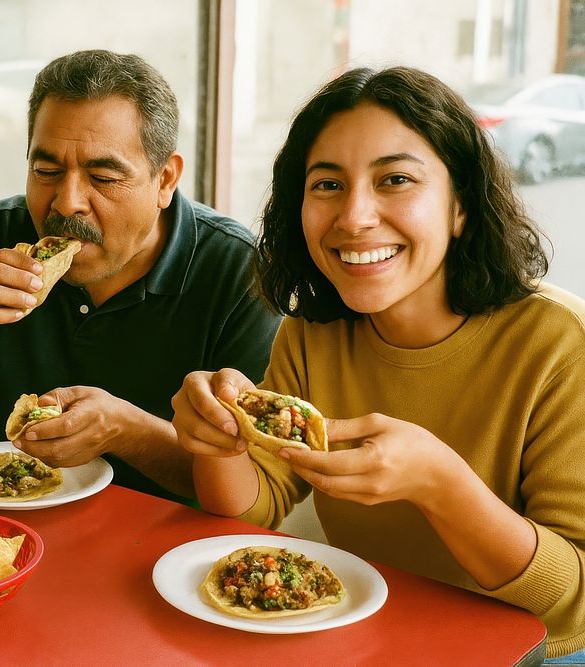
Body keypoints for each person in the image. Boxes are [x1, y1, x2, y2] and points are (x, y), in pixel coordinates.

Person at [171, 65, 585, 658]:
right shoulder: (312, 333)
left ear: (459, 207)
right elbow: (256, 505)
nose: (355, 216)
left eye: (394, 179)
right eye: (327, 184)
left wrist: (440, 485)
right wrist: (217, 441)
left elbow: (574, 599)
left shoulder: (558, 344)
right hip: (373, 635)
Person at [0, 50, 280, 503]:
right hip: (3, 524)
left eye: (102, 176)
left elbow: (251, 495)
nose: (66, 203)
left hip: (168, 547)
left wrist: (125, 431)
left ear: (164, 181)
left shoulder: (239, 271)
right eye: (46, 171)